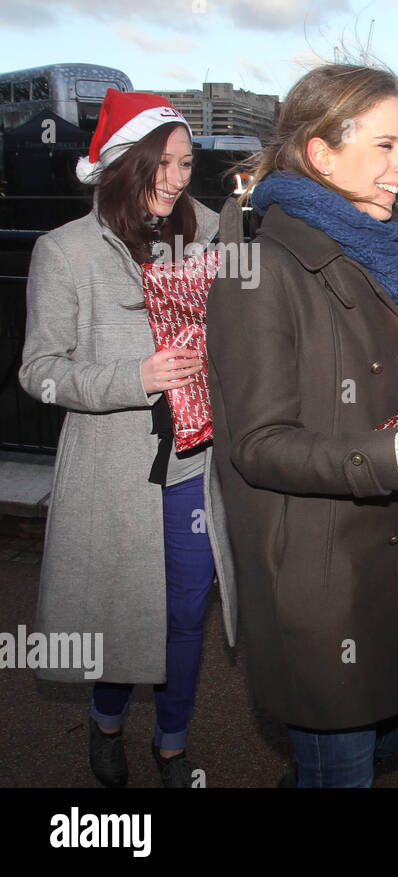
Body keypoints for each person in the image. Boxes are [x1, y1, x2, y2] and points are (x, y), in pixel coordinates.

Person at [206, 64, 398, 788]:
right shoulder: (257, 270)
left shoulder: (372, 250)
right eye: (387, 146)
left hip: (389, 547)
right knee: (344, 764)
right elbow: (260, 445)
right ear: (324, 155)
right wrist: (397, 460)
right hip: (320, 574)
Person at [19, 89, 237, 788]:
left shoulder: (212, 235)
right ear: (123, 165)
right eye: (163, 164)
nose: (179, 178)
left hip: (195, 469)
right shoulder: (65, 253)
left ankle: (171, 744)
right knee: (123, 612)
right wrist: (133, 375)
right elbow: (39, 372)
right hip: (117, 473)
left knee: (183, 615)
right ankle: (106, 718)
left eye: (186, 162)